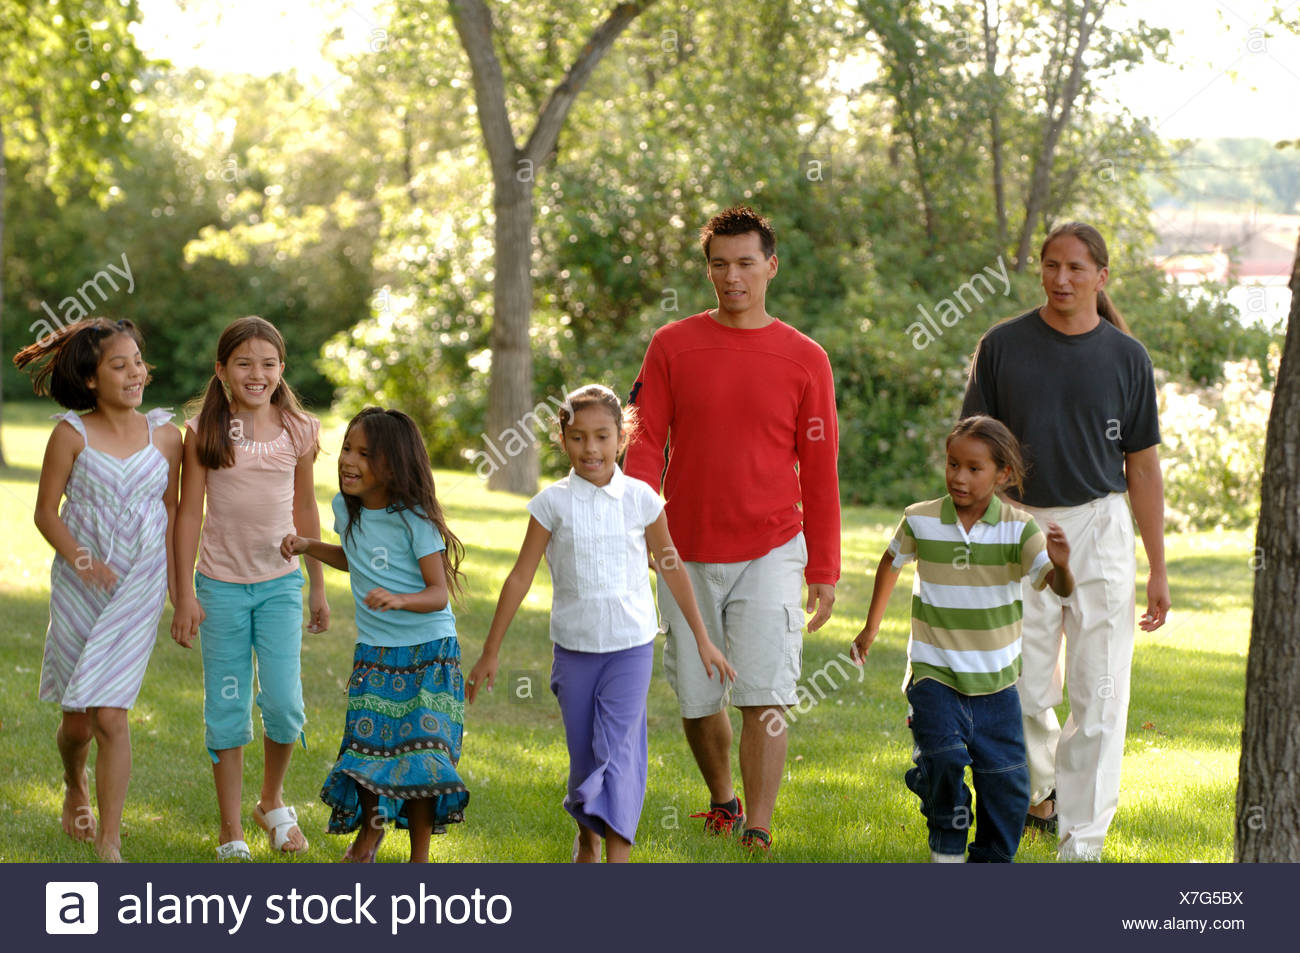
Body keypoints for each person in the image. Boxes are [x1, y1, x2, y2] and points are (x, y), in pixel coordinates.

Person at [624, 206, 841, 853]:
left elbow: (821, 471)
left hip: (772, 547)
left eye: (746, 262)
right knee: (697, 697)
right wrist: (638, 521)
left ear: (770, 266)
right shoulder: (672, 345)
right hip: (683, 550)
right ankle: (724, 798)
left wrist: (824, 570)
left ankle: (759, 826)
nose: (732, 276)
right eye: (720, 263)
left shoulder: (807, 359)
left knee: (765, 690)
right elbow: (643, 443)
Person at [962, 221, 1170, 861]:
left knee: (1099, 691)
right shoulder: (1002, 346)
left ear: (1101, 277)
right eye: (1051, 266)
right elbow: (973, 450)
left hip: (1101, 527)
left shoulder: (1126, 358)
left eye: (1077, 268)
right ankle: (1043, 790)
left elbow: (1142, 467)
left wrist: (1158, 569)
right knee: (1017, 686)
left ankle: (1083, 843)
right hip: (1019, 524)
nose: (1061, 279)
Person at [467, 385, 733, 863]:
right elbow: (520, 576)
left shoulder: (641, 499)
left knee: (619, 754)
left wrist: (703, 639)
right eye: (578, 437)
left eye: (602, 437)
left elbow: (670, 564)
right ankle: (587, 836)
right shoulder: (551, 504)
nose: (590, 449)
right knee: (586, 757)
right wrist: (491, 650)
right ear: (563, 440)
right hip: (573, 650)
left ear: (621, 439)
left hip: (631, 647)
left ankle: (616, 860)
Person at [852, 416, 1074, 862]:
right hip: (934, 676)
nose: (959, 476)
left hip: (997, 685)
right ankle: (947, 849)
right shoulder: (920, 520)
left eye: (974, 468)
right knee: (947, 761)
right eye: (953, 464)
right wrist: (871, 626)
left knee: (1009, 786)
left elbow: (1058, 587)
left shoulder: (1019, 528)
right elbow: (890, 562)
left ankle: (988, 859)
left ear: (1002, 474)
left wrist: (1064, 565)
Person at [14, 318, 182, 862]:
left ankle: (109, 842)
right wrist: (84, 561)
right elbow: (45, 513)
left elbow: (173, 510)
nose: (135, 372)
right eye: (120, 365)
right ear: (91, 378)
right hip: (80, 585)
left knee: (110, 714)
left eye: (138, 361)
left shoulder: (166, 436)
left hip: (139, 583)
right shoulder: (70, 434)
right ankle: (74, 785)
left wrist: (182, 587)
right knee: (77, 722)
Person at [281, 407, 470, 863]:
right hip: (376, 653)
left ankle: (419, 858)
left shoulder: (415, 519)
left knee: (424, 753)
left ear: (392, 465)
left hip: (429, 653)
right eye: (347, 448)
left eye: (364, 453)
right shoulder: (346, 509)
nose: (349, 460)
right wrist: (310, 547)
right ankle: (367, 841)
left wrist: (399, 599)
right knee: (369, 750)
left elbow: (437, 593)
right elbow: (355, 558)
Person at [171, 315, 328, 861]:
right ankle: (231, 827)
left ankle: (271, 800)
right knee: (227, 708)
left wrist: (317, 586)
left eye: (267, 363)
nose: (256, 373)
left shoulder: (300, 429)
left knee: (284, 704)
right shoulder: (204, 432)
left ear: (282, 369)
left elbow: (305, 507)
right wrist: (185, 593)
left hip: (280, 586)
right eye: (243, 364)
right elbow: (189, 514)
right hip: (219, 587)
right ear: (221, 371)